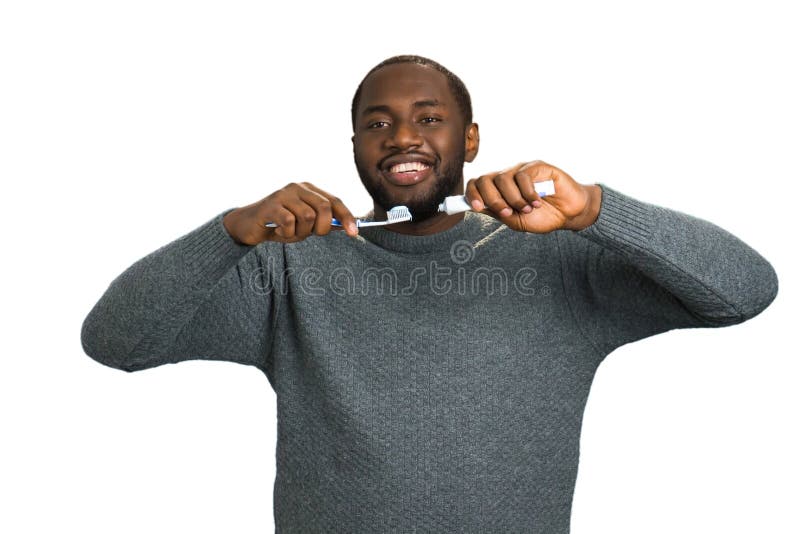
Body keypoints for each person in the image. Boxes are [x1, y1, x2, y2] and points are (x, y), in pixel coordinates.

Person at [80, 54, 779, 533]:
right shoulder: (289, 267)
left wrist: (598, 209)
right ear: (355, 145)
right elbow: (115, 341)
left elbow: (745, 290)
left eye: (429, 118)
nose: (402, 136)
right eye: (377, 123)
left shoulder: (558, 259)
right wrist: (229, 233)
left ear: (470, 139)